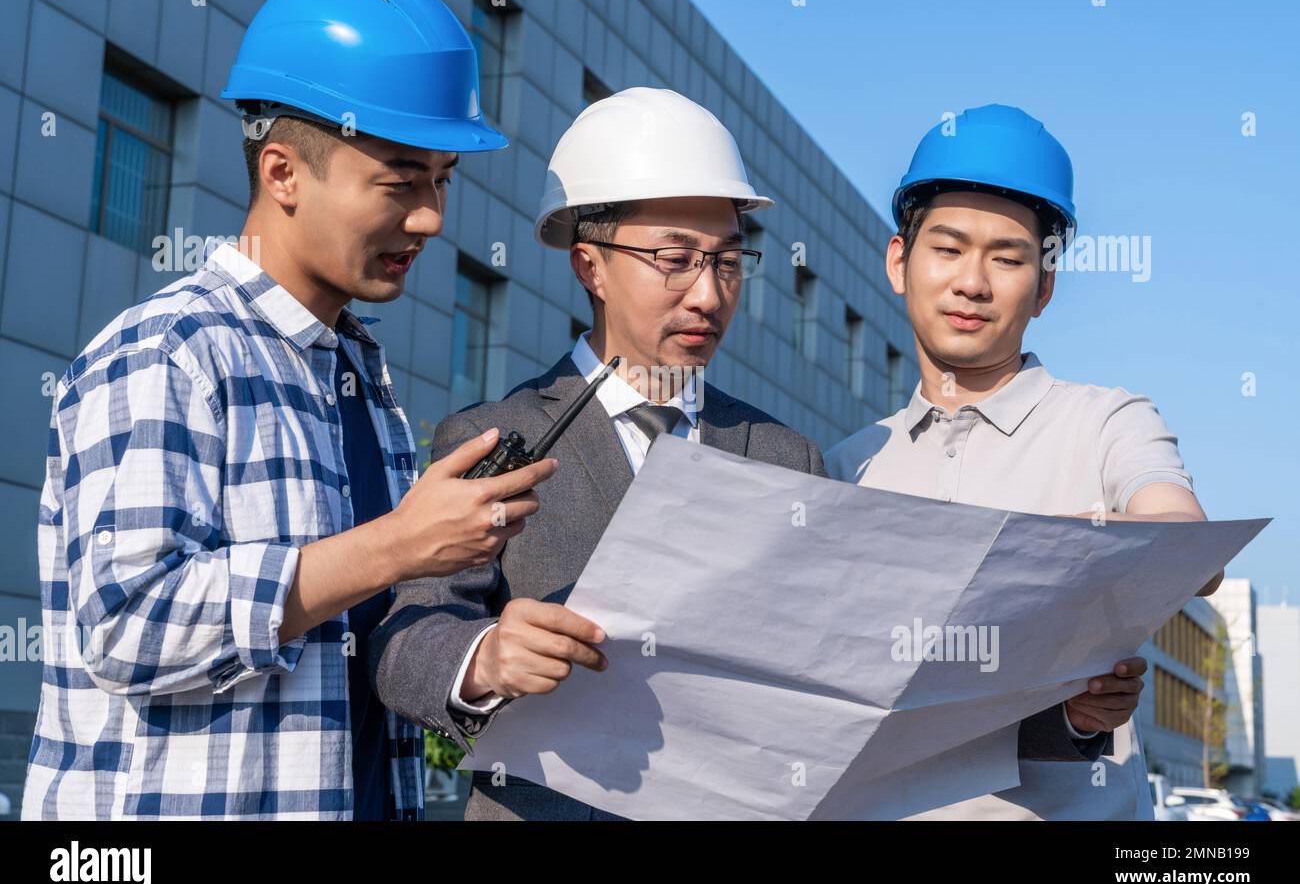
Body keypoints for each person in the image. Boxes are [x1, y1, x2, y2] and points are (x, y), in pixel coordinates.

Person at [22, 0, 553, 821]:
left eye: (443, 180)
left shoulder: (359, 377)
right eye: (399, 180)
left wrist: (479, 656)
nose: (430, 219)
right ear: (282, 173)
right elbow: (127, 626)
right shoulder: (168, 351)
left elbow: (345, 654)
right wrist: (396, 544)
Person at [370, 88, 826, 820]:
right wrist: (481, 658)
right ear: (591, 266)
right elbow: (404, 637)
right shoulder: (491, 437)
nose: (708, 293)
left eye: (730, 262)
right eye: (675, 259)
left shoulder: (787, 459)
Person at [826, 104, 1221, 820]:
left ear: (1043, 287)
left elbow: (1187, 543)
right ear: (898, 262)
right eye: (947, 248)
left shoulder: (1108, 421)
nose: (973, 282)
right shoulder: (849, 466)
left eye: (1008, 258)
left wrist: (1070, 553)